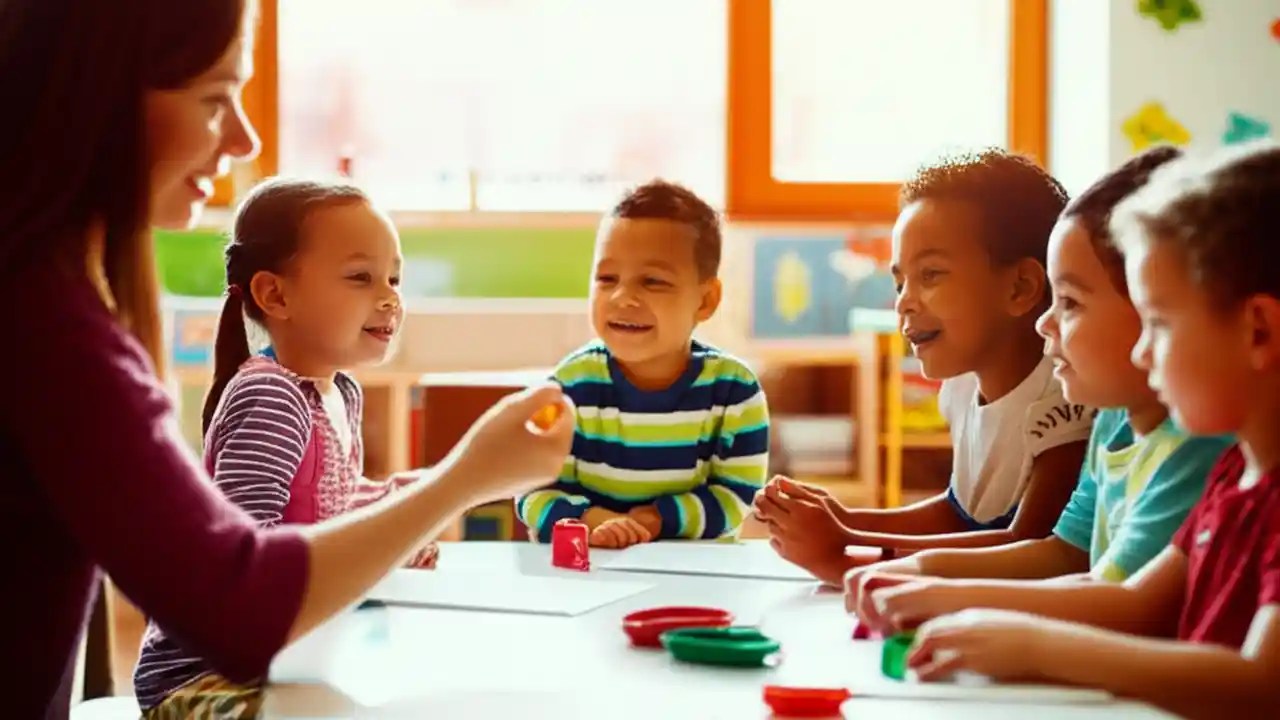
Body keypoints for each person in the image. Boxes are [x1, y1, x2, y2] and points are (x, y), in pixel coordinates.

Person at [0, 2, 572, 717]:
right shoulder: (49, 330)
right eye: (214, 100)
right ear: (97, 96)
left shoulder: (50, 301)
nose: (243, 138)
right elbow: (234, 602)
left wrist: (422, 494)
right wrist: (466, 477)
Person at [874, 141, 1280, 720]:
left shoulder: (1218, 464)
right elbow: (1136, 599)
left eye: (1159, 323)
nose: (1144, 351)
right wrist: (946, 596)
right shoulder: (1235, 476)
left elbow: (1264, 687)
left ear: (1258, 332)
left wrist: (1030, 643)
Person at [845, 147, 1230, 623]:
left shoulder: (1204, 447)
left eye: (1069, 301)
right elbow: (1065, 556)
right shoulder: (1113, 423)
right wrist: (916, 571)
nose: (1046, 322)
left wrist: (967, 609)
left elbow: (1134, 609)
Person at [756, 150, 1093, 585]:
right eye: (900, 282)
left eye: (931, 274)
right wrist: (843, 518)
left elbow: (1025, 547)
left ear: (1020, 287)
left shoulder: (1064, 398)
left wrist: (847, 550)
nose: (904, 301)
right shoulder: (961, 387)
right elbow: (960, 513)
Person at [516, 180, 769, 548]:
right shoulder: (567, 387)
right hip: (589, 572)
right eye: (607, 278)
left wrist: (652, 521)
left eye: (652, 281)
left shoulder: (734, 391)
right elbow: (531, 492)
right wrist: (595, 522)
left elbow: (736, 497)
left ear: (705, 300)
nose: (622, 297)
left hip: (697, 575)